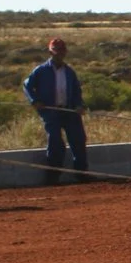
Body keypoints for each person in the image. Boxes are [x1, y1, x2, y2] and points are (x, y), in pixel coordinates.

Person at [21, 37, 89, 186]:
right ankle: (53, 176)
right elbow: (27, 86)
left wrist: (79, 105)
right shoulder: (41, 70)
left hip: (69, 111)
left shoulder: (70, 72)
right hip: (51, 111)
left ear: (65, 53)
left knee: (78, 140)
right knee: (55, 142)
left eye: (62, 51)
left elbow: (77, 91)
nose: (59, 54)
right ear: (50, 52)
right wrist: (35, 100)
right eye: (56, 51)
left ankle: (81, 174)